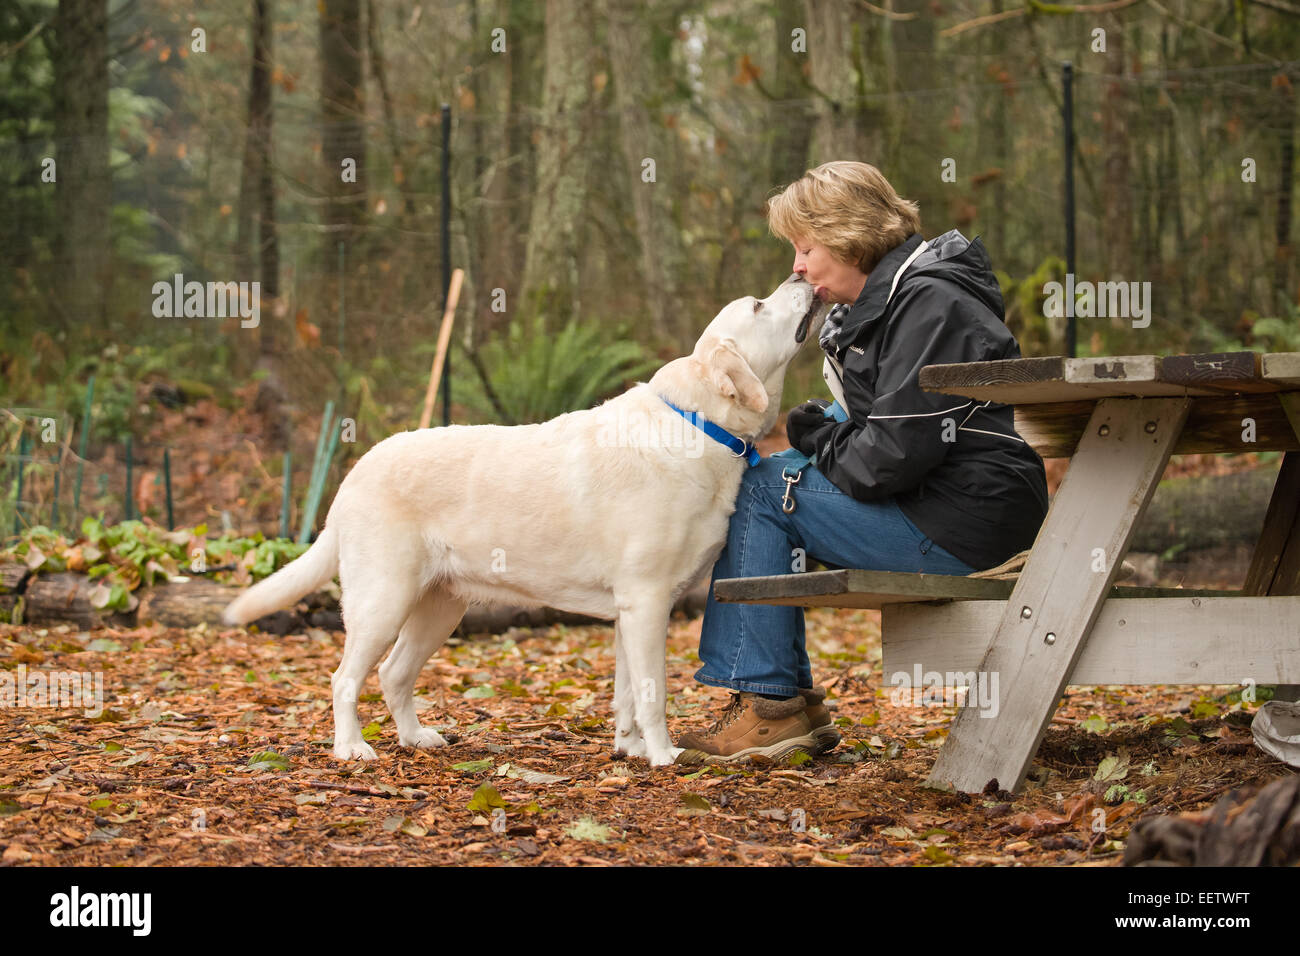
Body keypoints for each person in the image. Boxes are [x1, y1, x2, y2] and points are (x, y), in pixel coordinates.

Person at [676, 161, 1050, 761]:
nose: (797, 266)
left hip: (965, 525)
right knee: (771, 477)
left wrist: (821, 438)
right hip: (957, 507)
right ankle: (786, 700)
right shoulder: (904, 300)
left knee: (757, 491)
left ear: (848, 236)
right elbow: (889, 436)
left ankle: (768, 704)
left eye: (806, 247)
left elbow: (886, 461)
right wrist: (823, 432)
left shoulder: (930, 304)